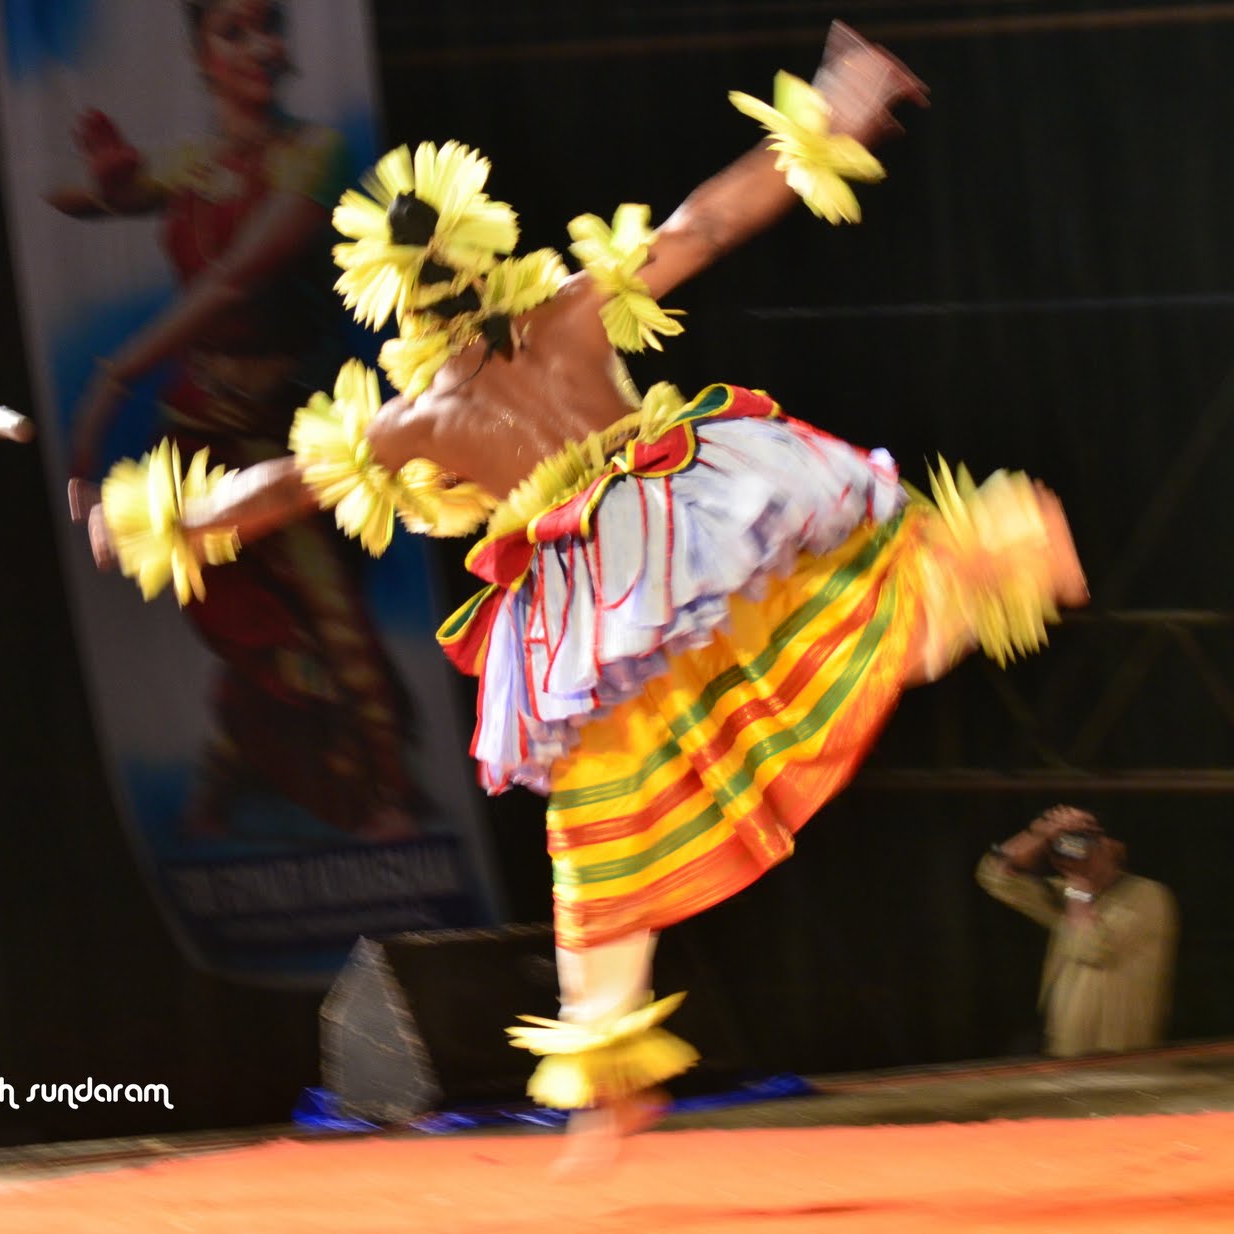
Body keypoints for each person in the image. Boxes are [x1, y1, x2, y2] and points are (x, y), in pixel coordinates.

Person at [77, 21, 1090, 1166]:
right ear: (483, 246)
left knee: (594, 822)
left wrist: (163, 518)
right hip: (679, 516)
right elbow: (704, 223)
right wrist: (829, 111)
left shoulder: (420, 417)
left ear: (395, 300)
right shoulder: (565, 306)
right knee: (811, 597)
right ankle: (991, 558)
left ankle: (606, 1080)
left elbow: (282, 488)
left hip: (605, 582)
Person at [47, 0, 418, 841]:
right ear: (201, 55)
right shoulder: (195, 162)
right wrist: (106, 182)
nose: (259, 47)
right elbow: (72, 199)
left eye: (269, 27)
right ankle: (236, 769)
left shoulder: (315, 154)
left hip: (290, 438)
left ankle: (388, 793)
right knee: (243, 628)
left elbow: (237, 279)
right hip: (197, 432)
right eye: (234, 32)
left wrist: (114, 376)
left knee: (329, 618)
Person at [977, 805, 1178, 1058]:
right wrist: (1040, 834)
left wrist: (1080, 883)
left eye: (1087, 838)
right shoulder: (1069, 894)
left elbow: (1091, 949)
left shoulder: (1149, 895)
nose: (1075, 847)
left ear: (1116, 848)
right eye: (1067, 841)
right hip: (1066, 1048)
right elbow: (995, 878)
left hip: (1119, 1053)